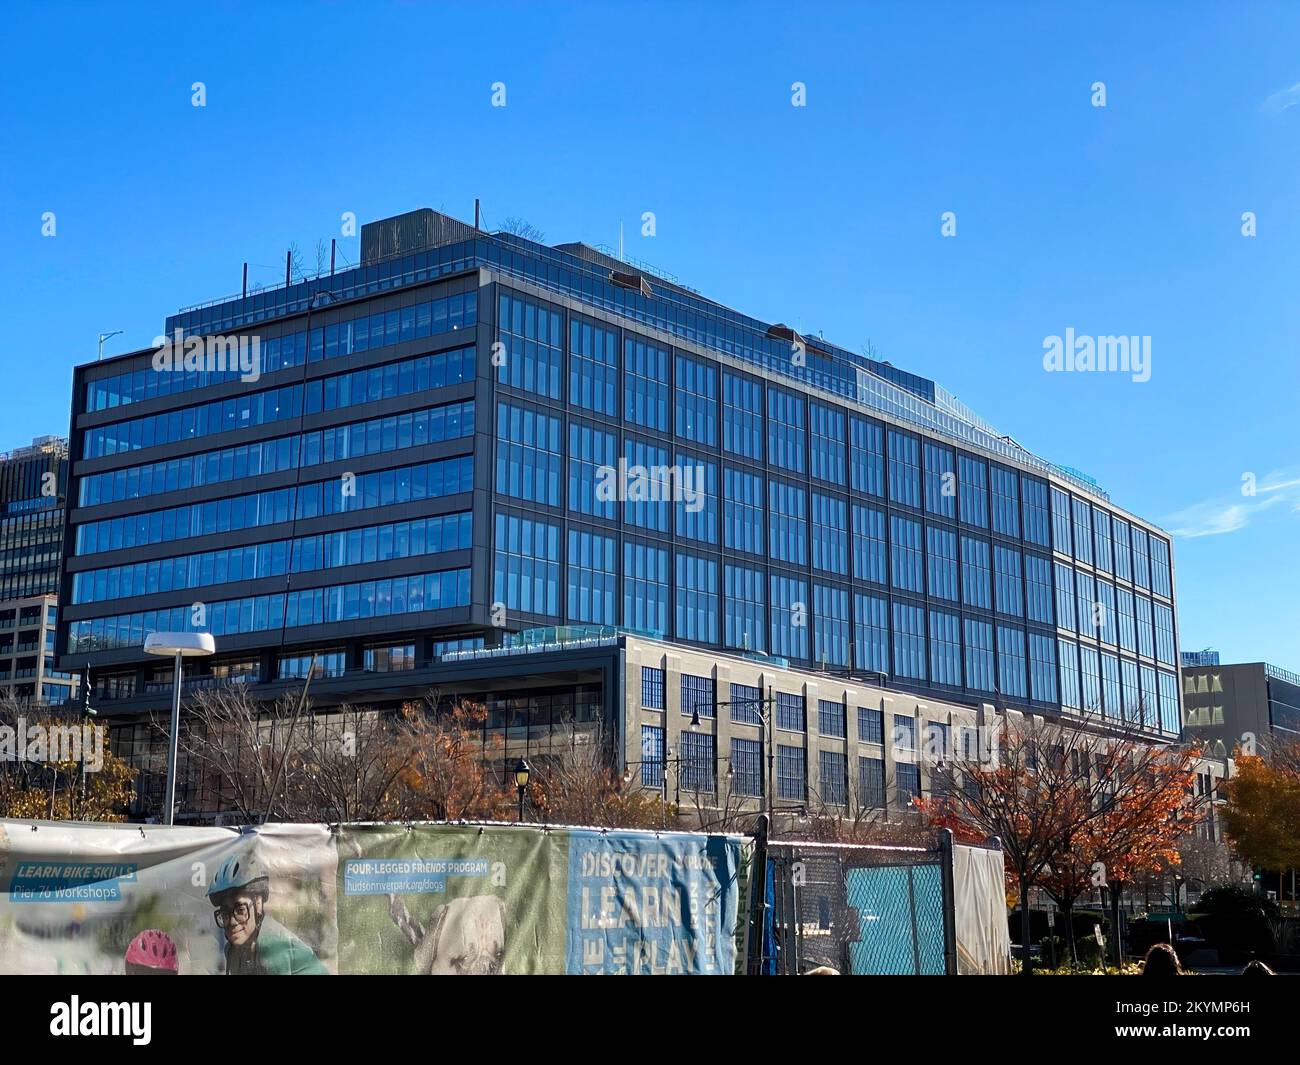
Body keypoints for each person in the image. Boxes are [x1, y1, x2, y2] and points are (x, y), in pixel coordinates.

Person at [207, 852, 328, 975]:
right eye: (225, 913)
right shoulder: (232, 950)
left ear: (258, 904)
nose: (232, 922)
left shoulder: (273, 944)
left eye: (240, 910)